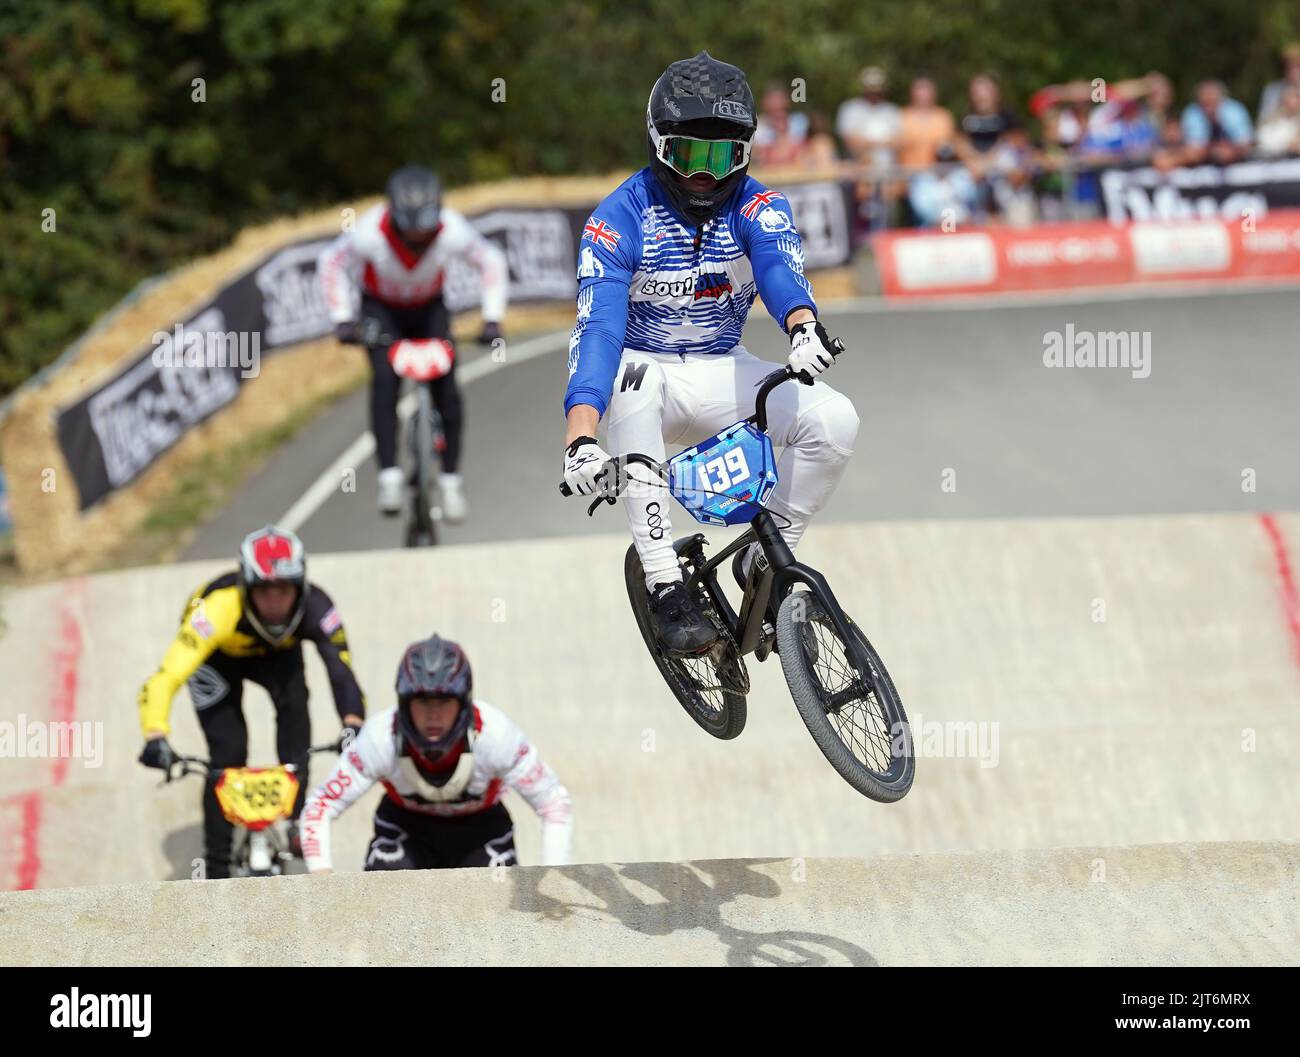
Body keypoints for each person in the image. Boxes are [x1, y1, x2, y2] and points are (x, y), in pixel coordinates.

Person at [561, 51, 858, 654]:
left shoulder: (759, 206)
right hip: (645, 383)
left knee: (835, 420)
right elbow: (598, 334)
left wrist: (803, 328)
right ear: (656, 144)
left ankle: (761, 561)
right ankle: (666, 584)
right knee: (635, 375)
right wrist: (580, 440)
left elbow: (777, 269)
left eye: (720, 156)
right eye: (687, 154)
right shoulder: (617, 221)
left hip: (726, 370)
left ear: (744, 153)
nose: (703, 173)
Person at [136, 526, 366, 879]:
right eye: (264, 592)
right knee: (228, 754)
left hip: (278, 656)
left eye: (284, 591)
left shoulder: (317, 607)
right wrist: (155, 735)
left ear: (301, 587)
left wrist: (353, 725)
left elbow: (341, 671)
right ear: (246, 588)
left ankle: (295, 822)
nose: (275, 604)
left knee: (295, 714)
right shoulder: (214, 610)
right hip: (218, 660)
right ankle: (215, 867)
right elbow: (165, 678)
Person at [318, 165, 509, 522]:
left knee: (448, 391)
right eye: (411, 231)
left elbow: (491, 260)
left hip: (429, 309)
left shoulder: (451, 229)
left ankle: (451, 480)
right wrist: (342, 318)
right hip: (381, 309)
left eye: (426, 230)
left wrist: (492, 317)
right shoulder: (368, 233)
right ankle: (388, 475)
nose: (420, 238)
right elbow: (331, 262)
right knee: (385, 382)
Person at [299, 635, 573, 872]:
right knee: (385, 895)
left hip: (481, 833)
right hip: (405, 832)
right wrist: (323, 883)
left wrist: (549, 880)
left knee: (499, 908)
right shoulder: (379, 737)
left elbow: (554, 803)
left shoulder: (496, 736)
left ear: (464, 703)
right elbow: (319, 806)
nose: (433, 714)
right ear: (404, 704)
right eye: (422, 701)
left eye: (444, 701)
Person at [836, 65, 901, 174]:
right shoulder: (850, 109)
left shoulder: (892, 111)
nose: (874, 93)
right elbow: (851, 142)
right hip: (858, 172)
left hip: (888, 173)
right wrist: (885, 143)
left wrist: (866, 143)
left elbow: (899, 142)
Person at [1181, 79, 1254, 165]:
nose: (1209, 108)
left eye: (1212, 102)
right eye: (1205, 103)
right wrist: (1214, 151)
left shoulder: (1234, 110)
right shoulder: (1192, 112)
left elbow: (1245, 142)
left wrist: (1231, 151)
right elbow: (1194, 148)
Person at [896, 76, 956, 171]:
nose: (923, 94)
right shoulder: (901, 116)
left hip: (937, 174)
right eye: (919, 89)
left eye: (926, 89)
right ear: (911, 92)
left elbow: (950, 144)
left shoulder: (943, 116)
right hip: (908, 174)